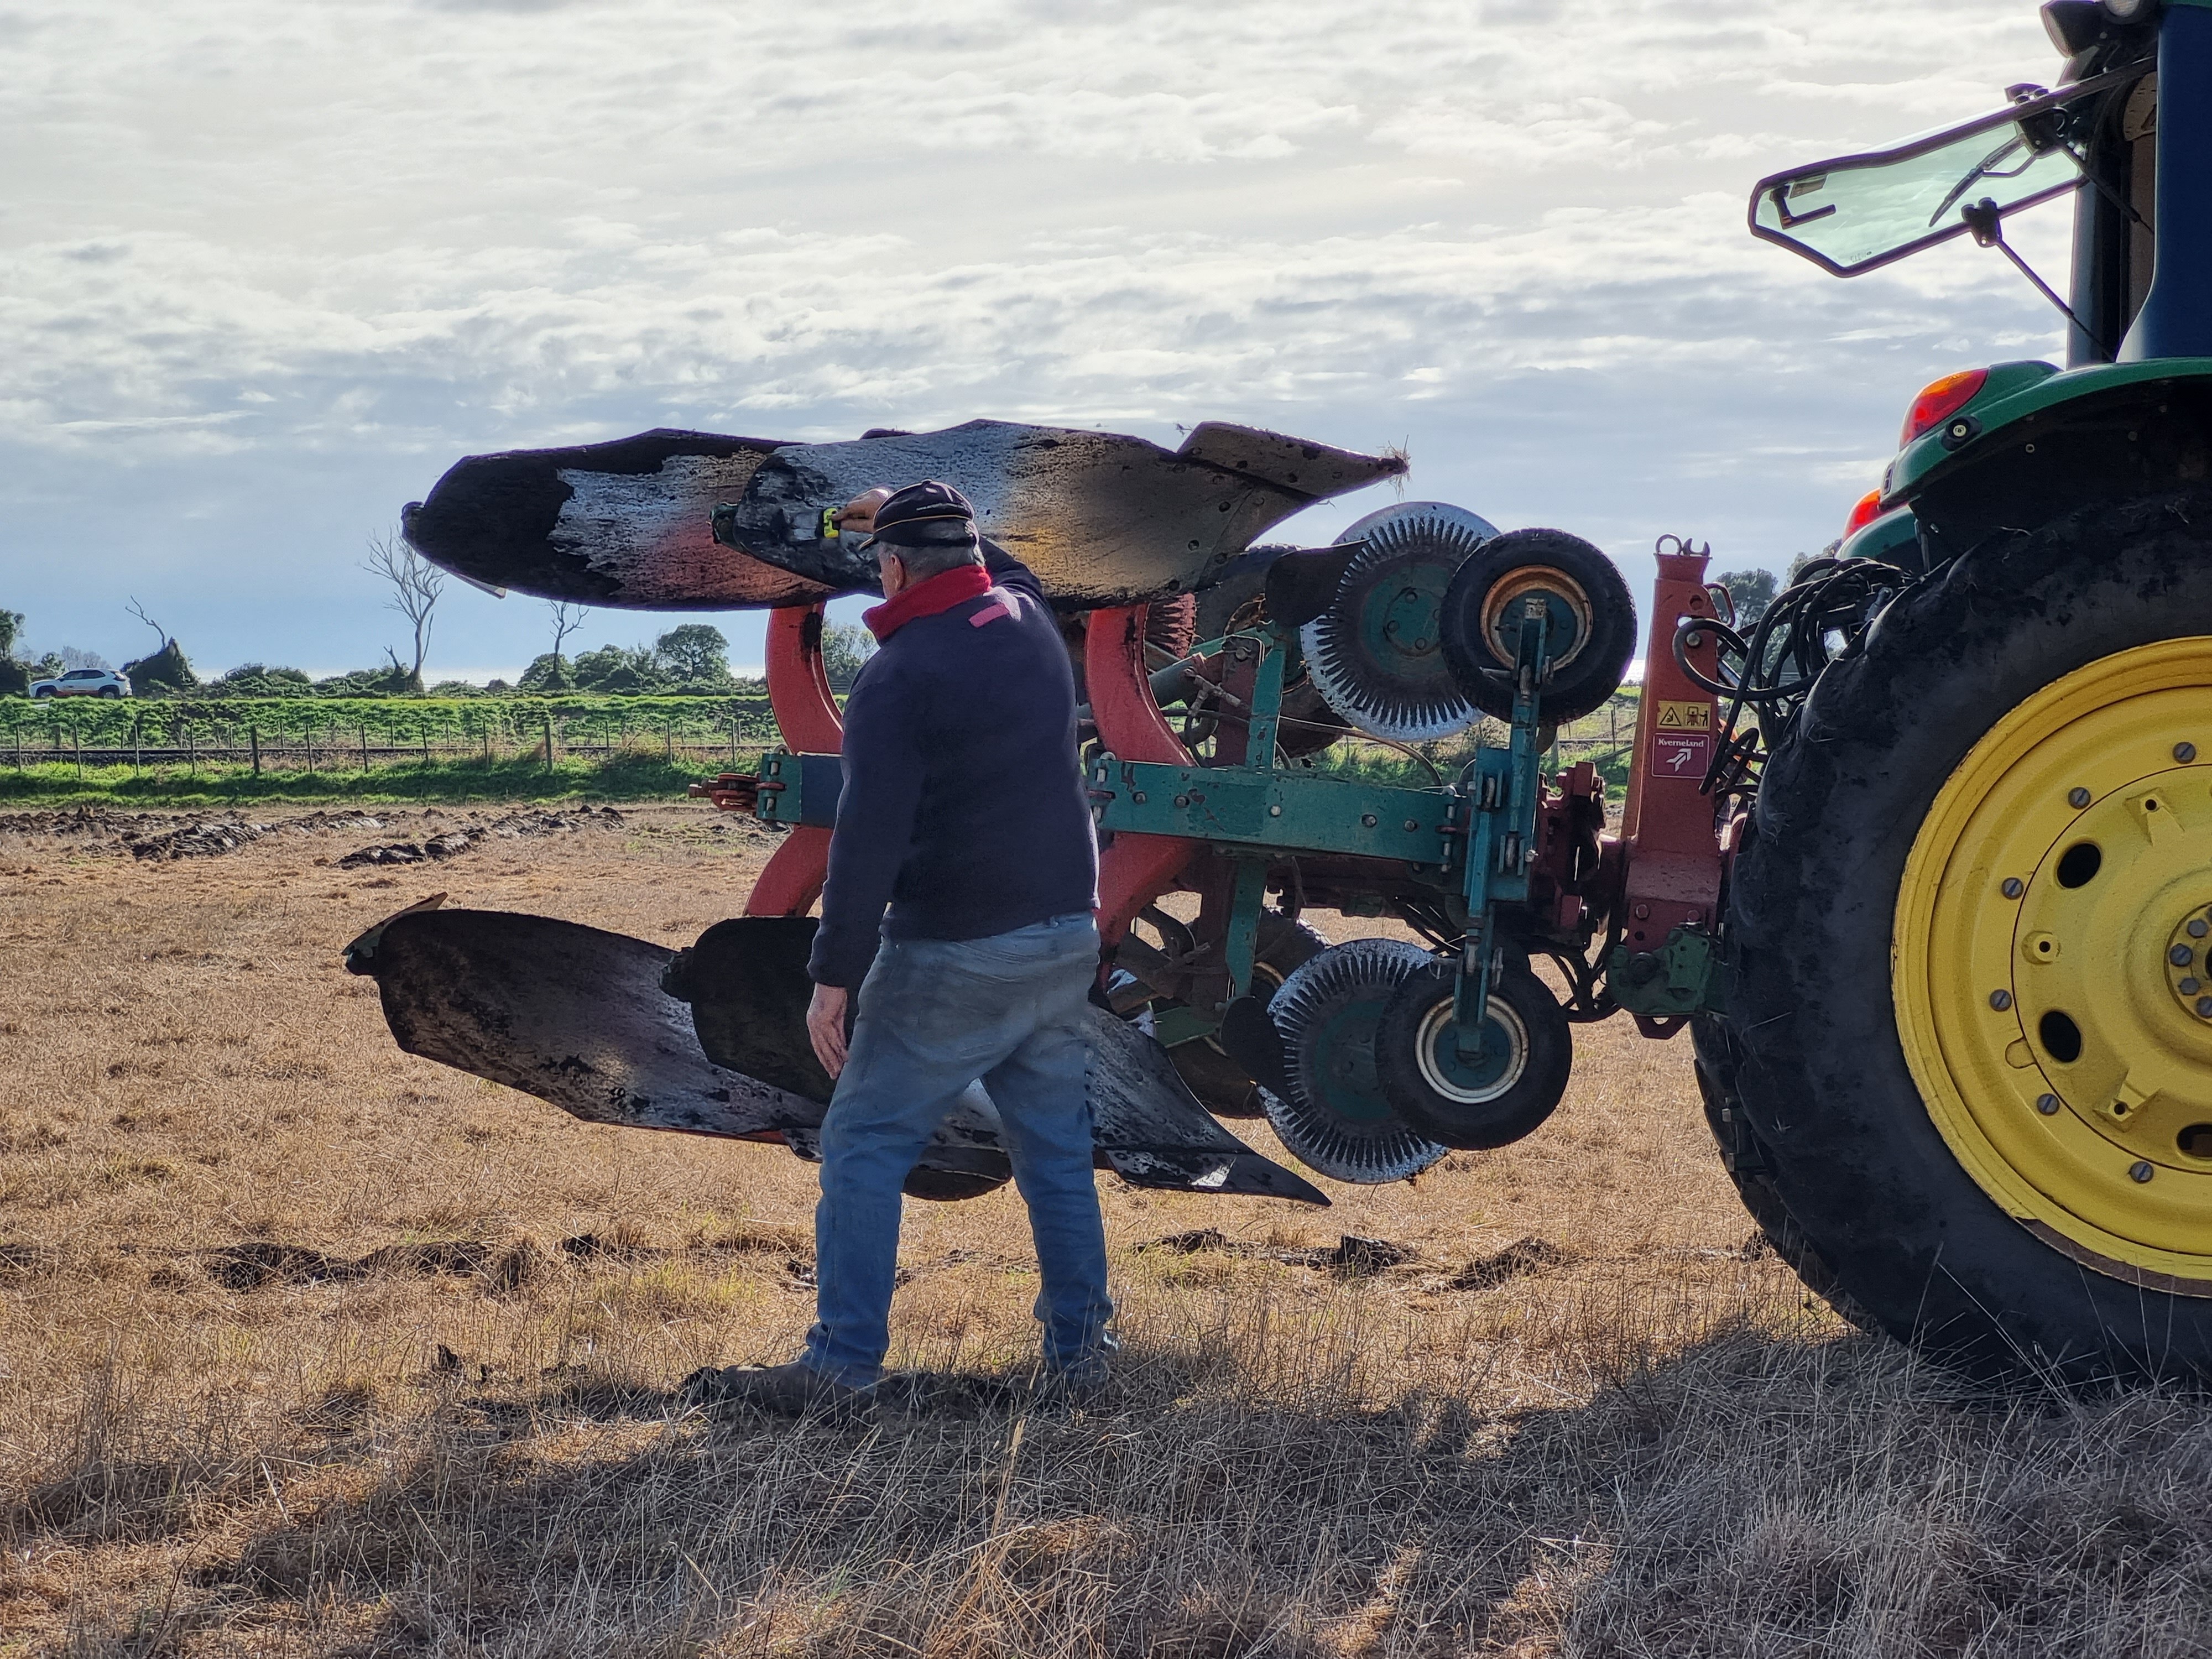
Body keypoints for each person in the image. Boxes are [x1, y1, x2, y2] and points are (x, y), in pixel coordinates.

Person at [694, 479, 1114, 1414]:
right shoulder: (1031, 623)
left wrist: (831, 977)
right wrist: (902, 505)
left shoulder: (898, 677)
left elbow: (867, 844)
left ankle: (841, 1365)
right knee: (1055, 1152)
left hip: (959, 954)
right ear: (970, 555)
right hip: (1064, 939)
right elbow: (1001, 568)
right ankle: (1084, 1358)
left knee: (865, 1140)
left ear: (888, 569)